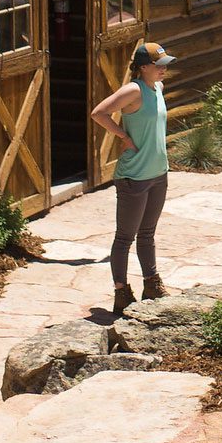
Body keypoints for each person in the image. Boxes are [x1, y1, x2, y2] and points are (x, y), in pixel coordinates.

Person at [90, 40, 175, 314]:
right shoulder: (133, 90)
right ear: (143, 67)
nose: (164, 70)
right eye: (159, 66)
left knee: (148, 234)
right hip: (134, 177)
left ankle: (151, 283)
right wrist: (123, 136)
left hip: (158, 173)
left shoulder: (157, 88)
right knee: (125, 237)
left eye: (165, 65)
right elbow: (98, 112)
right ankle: (121, 291)